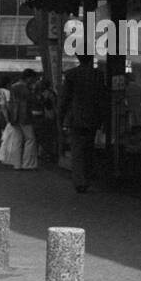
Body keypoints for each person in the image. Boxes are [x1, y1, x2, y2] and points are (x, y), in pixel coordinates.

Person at [59, 54, 107, 192]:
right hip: (93, 117)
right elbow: (102, 97)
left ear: (78, 58)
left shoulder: (71, 74)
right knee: (89, 148)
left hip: (76, 118)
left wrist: (61, 117)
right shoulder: (98, 75)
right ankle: (87, 177)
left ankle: (80, 181)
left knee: (77, 150)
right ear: (91, 58)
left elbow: (65, 98)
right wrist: (103, 118)